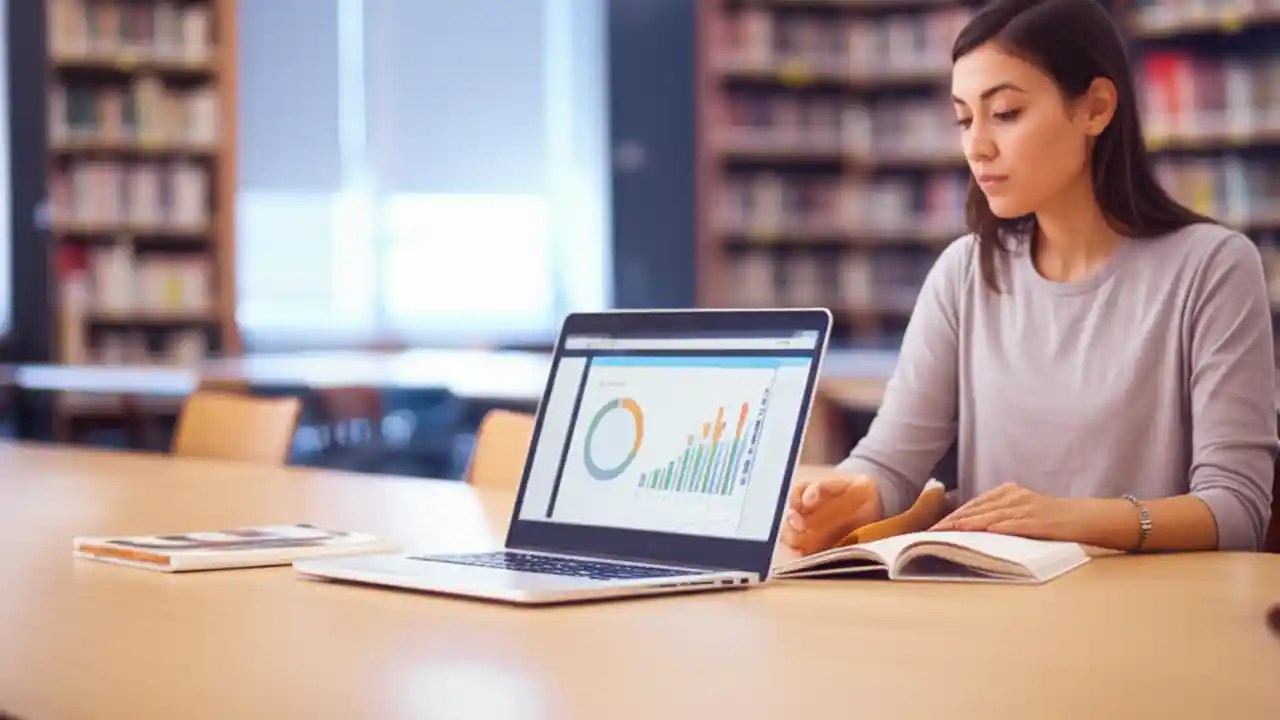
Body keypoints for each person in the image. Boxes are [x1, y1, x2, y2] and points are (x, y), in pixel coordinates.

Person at [782, 0, 1278, 555]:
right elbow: (889, 463)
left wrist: (1071, 518)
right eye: (965, 118)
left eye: (1007, 113)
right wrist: (848, 498)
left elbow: (1237, 510)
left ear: (1095, 108)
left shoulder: (1213, 268)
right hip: (994, 608)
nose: (977, 145)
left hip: (1149, 618)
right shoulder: (963, 272)